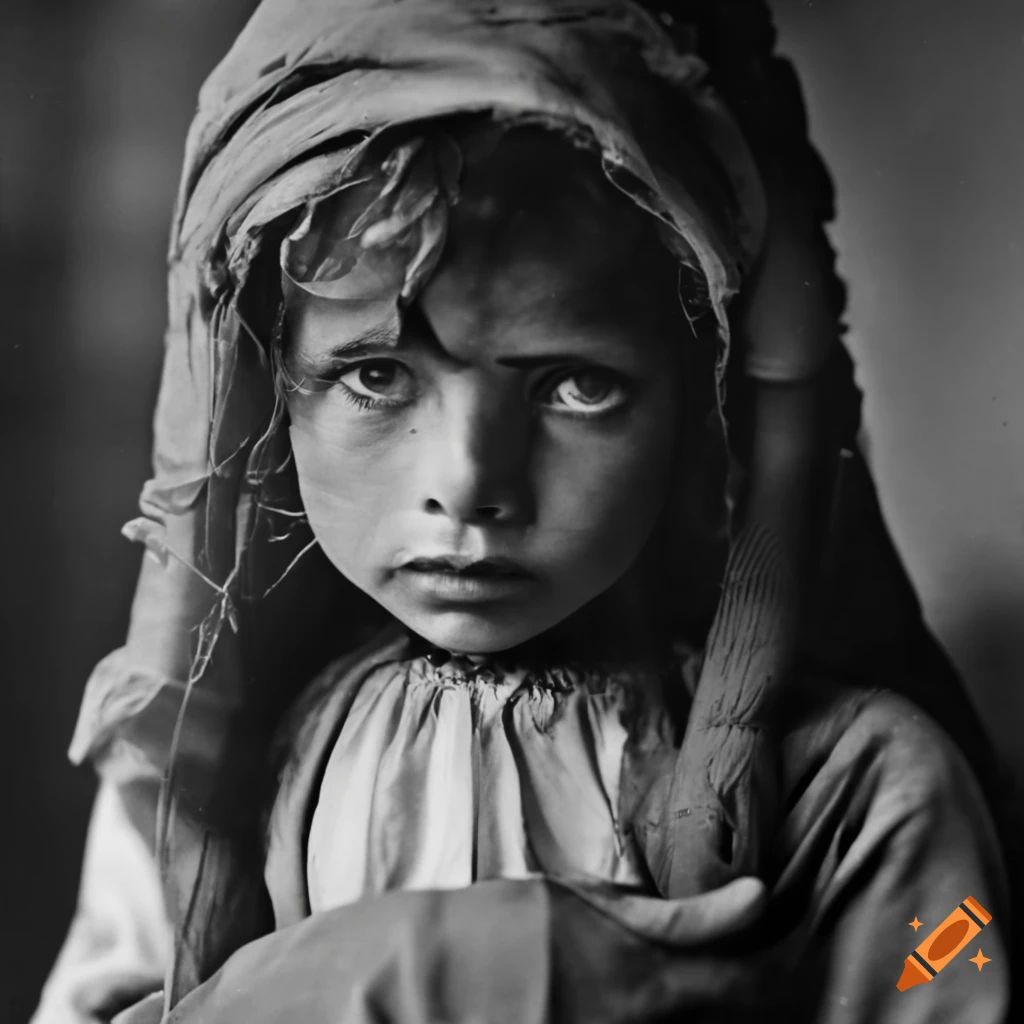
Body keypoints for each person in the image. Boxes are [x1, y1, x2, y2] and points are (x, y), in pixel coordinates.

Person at [31, 2, 1015, 1022]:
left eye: (573, 387)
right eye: (375, 374)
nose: (468, 484)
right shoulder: (197, 784)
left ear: (701, 413)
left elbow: (939, 969)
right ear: (271, 399)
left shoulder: (859, 797)